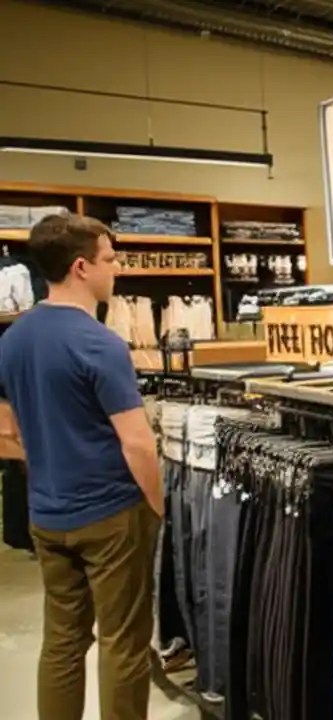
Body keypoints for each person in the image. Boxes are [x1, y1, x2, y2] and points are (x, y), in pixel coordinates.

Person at [0, 213, 163, 720]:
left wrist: (47, 463)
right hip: (111, 514)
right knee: (123, 642)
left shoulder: (13, 339)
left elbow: (7, 432)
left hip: (47, 513)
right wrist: (158, 505)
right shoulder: (100, 343)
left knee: (63, 641)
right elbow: (137, 443)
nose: (117, 269)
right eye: (110, 259)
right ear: (81, 267)